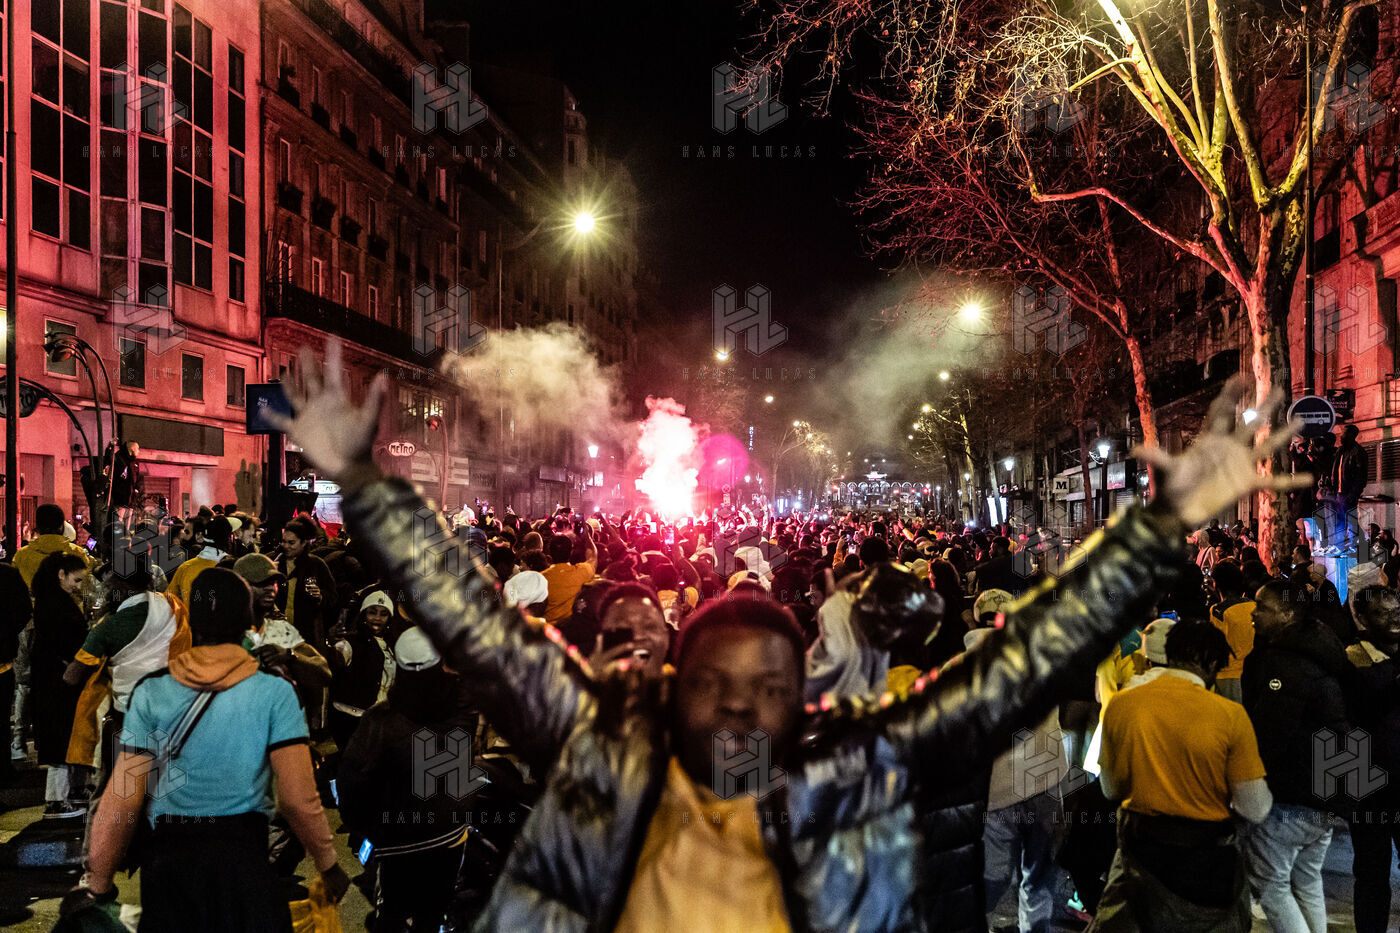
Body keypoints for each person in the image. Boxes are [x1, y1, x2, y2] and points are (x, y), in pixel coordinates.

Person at [266, 344, 1306, 931]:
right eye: (714, 681)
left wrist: (1161, 527)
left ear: (799, 696)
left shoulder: (847, 764)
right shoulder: (607, 743)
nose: (736, 705)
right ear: (672, 680)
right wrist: (360, 482)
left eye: (765, 687)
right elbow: (476, 624)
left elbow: (1015, 667)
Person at [77, 568, 349, 929]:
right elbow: (297, 798)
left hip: (169, 868)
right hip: (241, 860)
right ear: (247, 618)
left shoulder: (151, 691)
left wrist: (98, 882)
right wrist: (328, 864)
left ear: (192, 620)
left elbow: (123, 797)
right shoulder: (274, 692)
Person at [1092, 622, 1272, 932]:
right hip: (1206, 866)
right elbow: (1255, 807)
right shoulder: (1230, 715)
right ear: (1211, 664)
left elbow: (1111, 789)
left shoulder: (1122, 704)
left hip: (1140, 855)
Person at [337, 627, 473, 933]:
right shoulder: (463, 706)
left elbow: (353, 782)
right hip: (451, 834)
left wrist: (365, 828)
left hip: (399, 839)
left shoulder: (381, 721)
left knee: (392, 914)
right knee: (432, 914)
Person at [1241, 578, 1352, 933]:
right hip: (1322, 792)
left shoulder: (1284, 665)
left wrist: (1251, 782)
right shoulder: (1320, 651)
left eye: (1262, 607)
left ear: (1287, 614)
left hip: (1292, 794)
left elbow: (1271, 733)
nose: (1253, 614)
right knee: (1306, 879)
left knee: (1271, 884)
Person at [1342, 585, 1400, 933]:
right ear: (1361, 618)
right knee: (1372, 871)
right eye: (1383, 613)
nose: (1393, 619)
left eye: (1396, 611)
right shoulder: (1351, 658)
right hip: (1367, 781)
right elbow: (1358, 709)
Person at [31, 552, 93, 818]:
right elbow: (65, 641)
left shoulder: (50, 600)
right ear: (61, 575)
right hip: (58, 680)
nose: (79, 586)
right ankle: (56, 800)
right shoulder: (55, 605)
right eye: (76, 580)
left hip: (56, 677)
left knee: (68, 733)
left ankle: (75, 790)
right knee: (61, 735)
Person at [328, 590, 399, 751]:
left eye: (383, 614)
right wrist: (331, 642)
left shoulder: (392, 645)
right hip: (351, 719)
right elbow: (335, 662)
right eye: (372, 612)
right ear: (363, 614)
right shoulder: (351, 641)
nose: (377, 618)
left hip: (380, 718)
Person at [277, 517, 335, 648]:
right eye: (283, 541)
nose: (286, 546)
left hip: (306, 634)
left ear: (303, 543)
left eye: (291, 543)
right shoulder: (274, 561)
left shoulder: (316, 565)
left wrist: (321, 596)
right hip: (277, 633)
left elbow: (333, 596)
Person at [13, 503, 96, 589]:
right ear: (62, 527)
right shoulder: (78, 554)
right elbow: (89, 586)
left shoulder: (21, 555)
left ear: (38, 528)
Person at [166, 516, 234, 608]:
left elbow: (168, 601)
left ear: (202, 536)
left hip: (187, 616)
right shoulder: (232, 568)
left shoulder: (185, 567)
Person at [1328, 423, 1368, 556]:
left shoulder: (1358, 452)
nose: (1341, 436)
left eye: (1344, 434)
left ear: (1351, 435)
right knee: (1340, 520)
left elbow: (1361, 476)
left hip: (1348, 493)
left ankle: (1354, 546)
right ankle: (1342, 546)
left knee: (1350, 519)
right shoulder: (1341, 451)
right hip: (1339, 492)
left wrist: (1353, 493)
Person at [541, 530, 597, 625]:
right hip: (573, 629)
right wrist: (588, 537)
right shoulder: (583, 571)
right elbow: (593, 556)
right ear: (571, 552)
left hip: (549, 629)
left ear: (549, 553)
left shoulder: (541, 578)